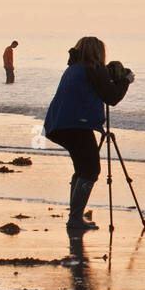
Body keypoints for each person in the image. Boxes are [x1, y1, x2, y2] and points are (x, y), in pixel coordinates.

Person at [43, 37, 133, 231]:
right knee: (91, 170)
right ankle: (75, 219)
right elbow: (111, 97)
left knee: (83, 168)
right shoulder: (93, 69)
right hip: (76, 124)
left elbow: (99, 89)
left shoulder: (74, 68)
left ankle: (75, 215)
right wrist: (125, 81)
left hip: (58, 123)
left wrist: (109, 78)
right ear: (99, 53)